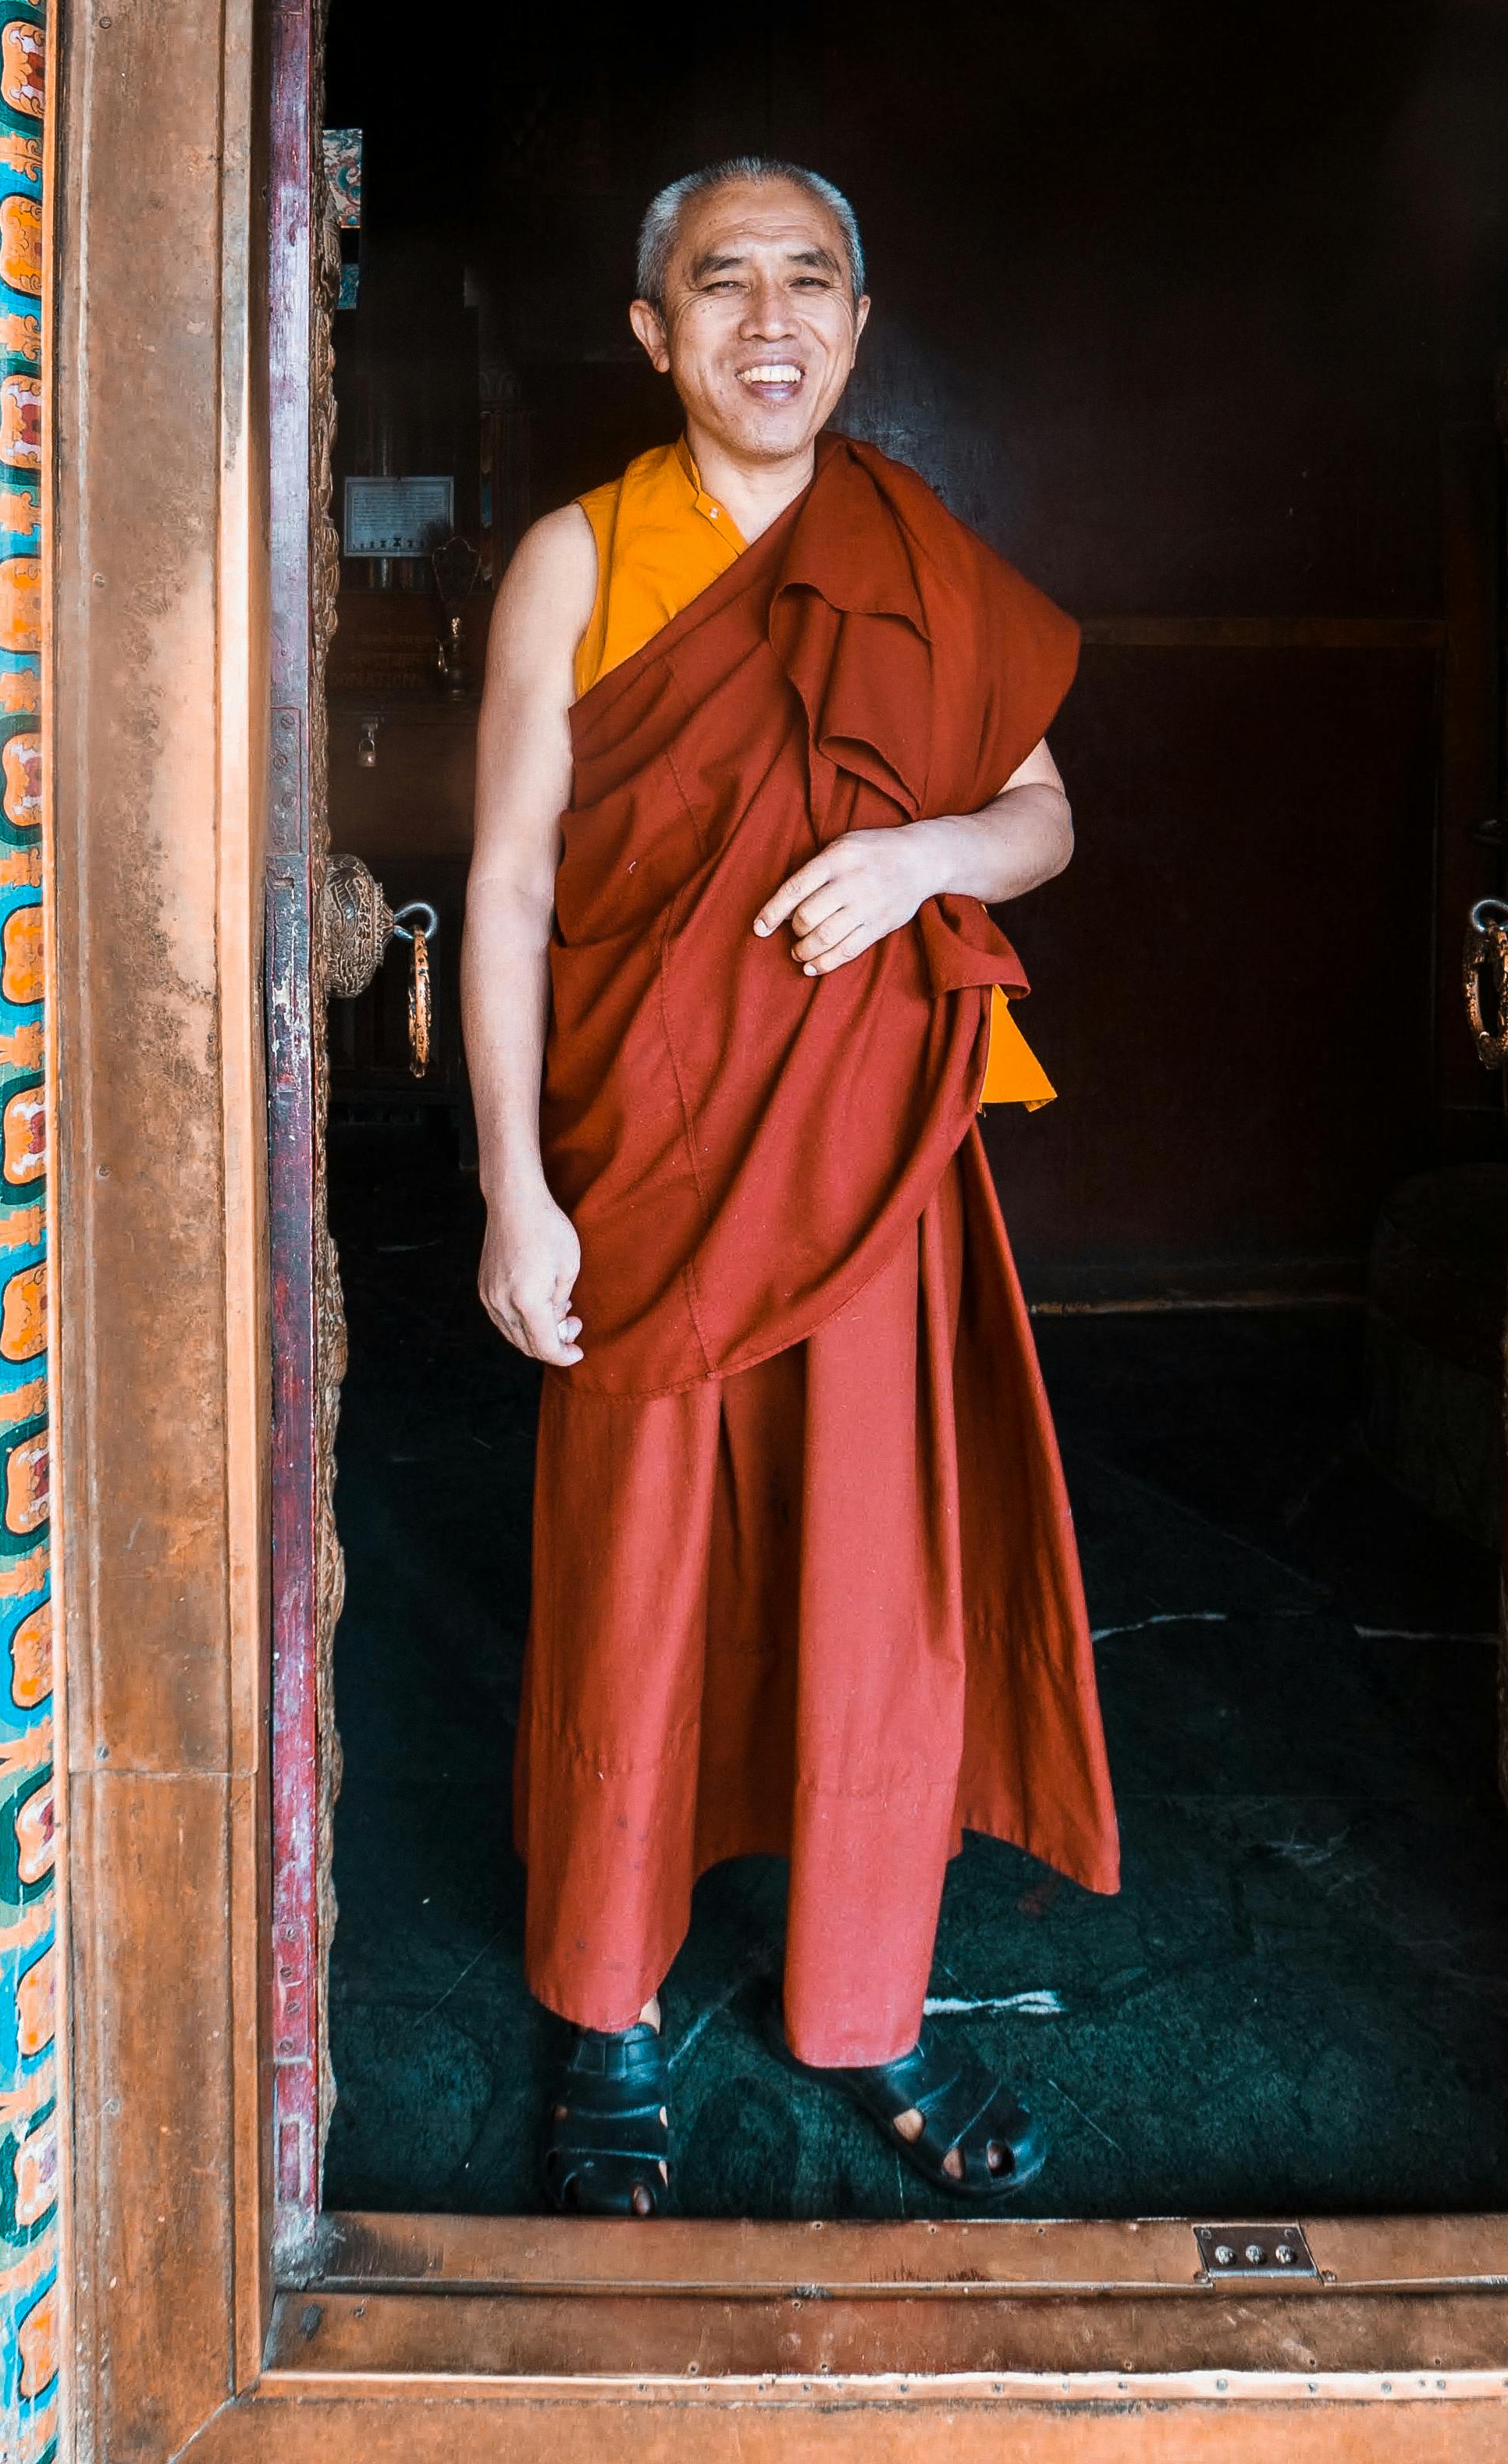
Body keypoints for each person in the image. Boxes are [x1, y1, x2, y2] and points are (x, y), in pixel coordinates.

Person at [462, 157, 1118, 2217]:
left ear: (856, 318)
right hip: (644, 1169)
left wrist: (926, 857)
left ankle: (867, 2002)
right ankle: (610, 2010)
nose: (769, 318)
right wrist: (509, 1183)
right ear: (655, 331)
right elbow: (505, 882)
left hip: (872, 1180)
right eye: (718, 283)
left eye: (807, 280)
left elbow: (1042, 818)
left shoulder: (919, 554)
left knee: (876, 1604)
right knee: (633, 1599)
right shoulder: (580, 559)